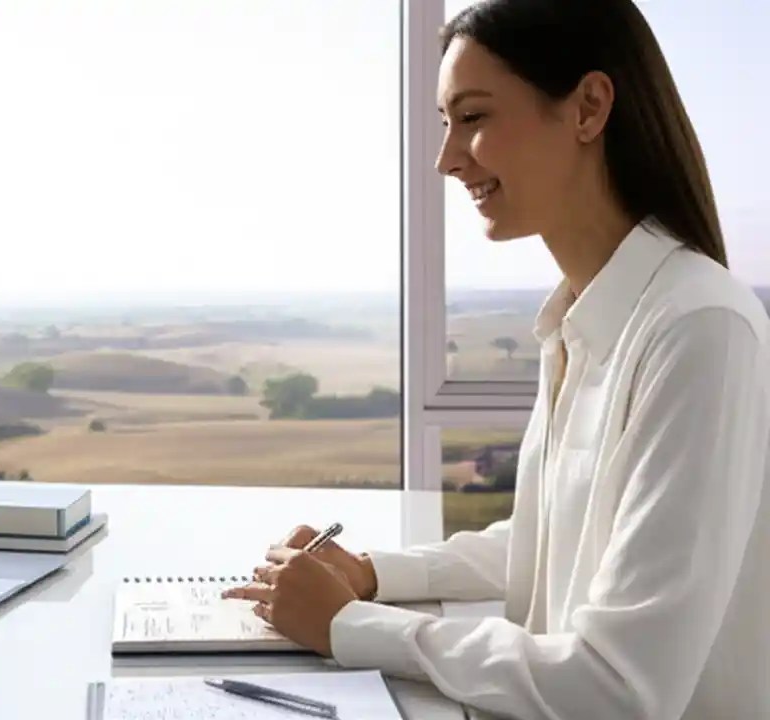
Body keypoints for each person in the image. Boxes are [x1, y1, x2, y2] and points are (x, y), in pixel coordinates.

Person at [222, 1, 770, 718]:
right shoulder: (581, 319)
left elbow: (621, 687)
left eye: (473, 118)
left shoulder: (699, 328)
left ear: (589, 107)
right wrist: (367, 575)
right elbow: (546, 541)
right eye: (446, 123)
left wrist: (350, 626)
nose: (447, 158)